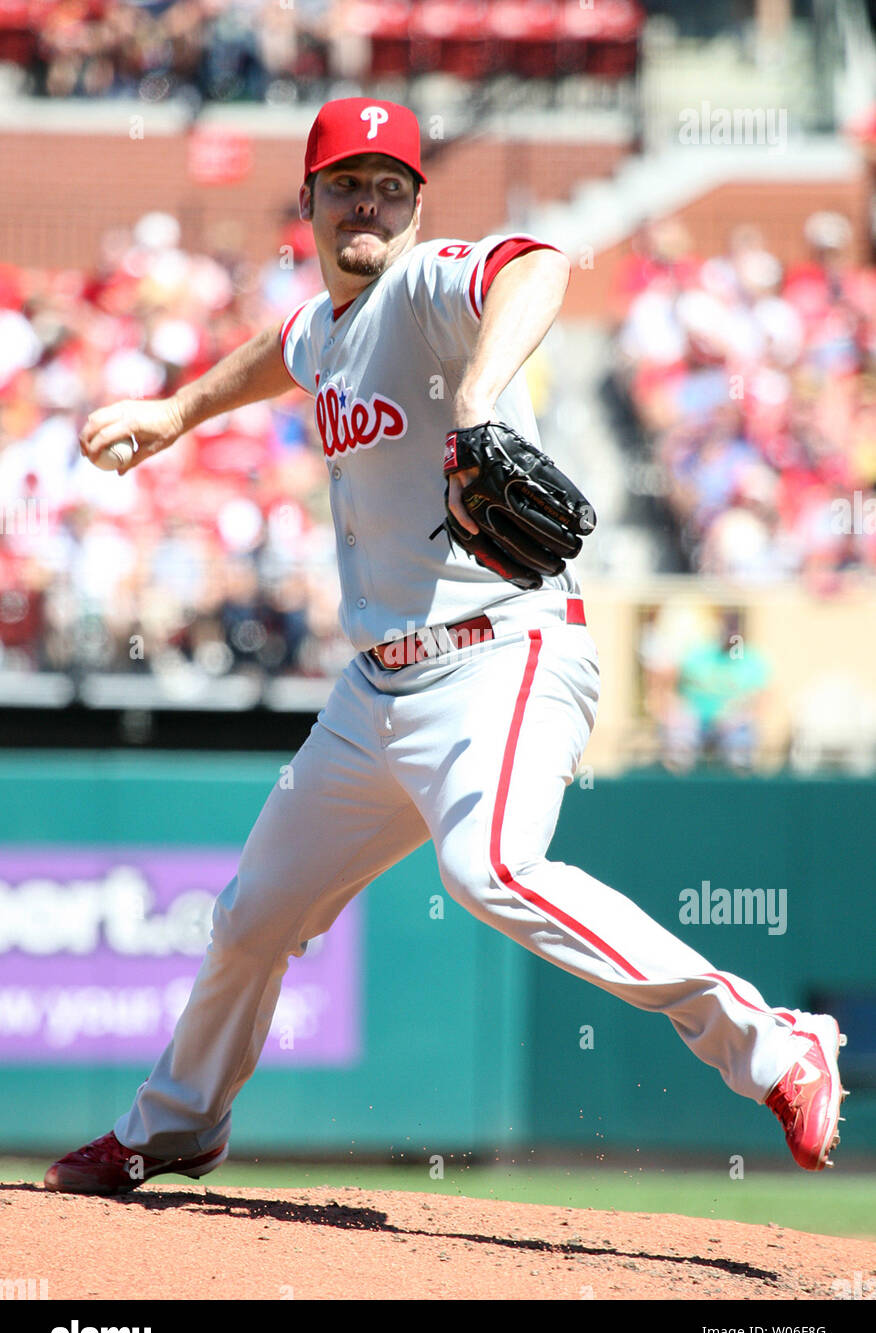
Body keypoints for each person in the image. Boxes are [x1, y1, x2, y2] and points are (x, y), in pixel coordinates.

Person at [45, 98, 847, 1196]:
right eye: (344, 184)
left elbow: (541, 263)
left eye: (388, 185)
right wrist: (179, 410)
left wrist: (475, 402)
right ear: (310, 204)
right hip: (376, 694)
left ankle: (775, 1042)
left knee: (491, 869)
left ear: (418, 205)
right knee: (249, 916)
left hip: (500, 654)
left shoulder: (426, 288)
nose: (365, 202)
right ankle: (177, 1124)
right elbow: (282, 351)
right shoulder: (330, 327)